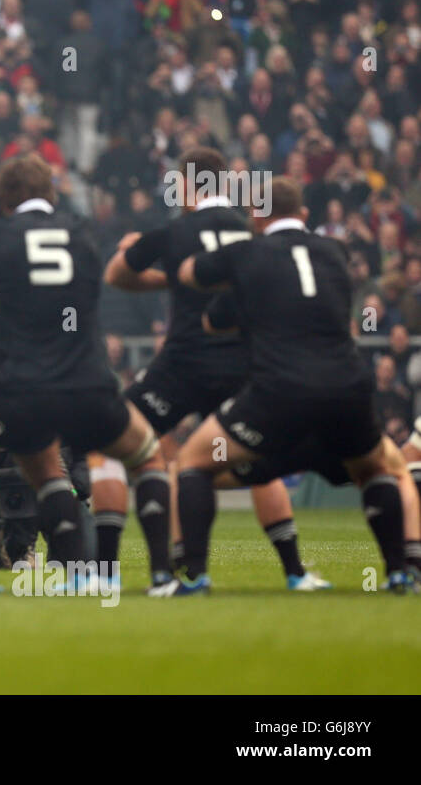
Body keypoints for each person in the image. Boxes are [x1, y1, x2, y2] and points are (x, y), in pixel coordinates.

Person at [0, 155, 170, 592]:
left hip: (21, 385)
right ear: (50, 193)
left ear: (3, 200)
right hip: (90, 381)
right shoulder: (82, 234)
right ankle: (147, 577)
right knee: (144, 459)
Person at [174, 177, 417, 594]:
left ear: (256, 217)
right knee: (377, 469)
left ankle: (194, 576)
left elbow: (190, 277)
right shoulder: (336, 253)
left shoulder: (247, 253)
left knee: (193, 462)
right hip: (346, 388)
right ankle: (399, 572)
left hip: (279, 393)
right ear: (303, 215)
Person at [103, 147, 323, 590]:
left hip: (182, 367)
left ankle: (137, 570)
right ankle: (296, 573)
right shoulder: (252, 235)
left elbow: (116, 276)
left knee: (115, 442)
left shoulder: (172, 232)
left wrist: (174, 276)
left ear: (188, 185)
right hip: (244, 366)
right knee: (258, 464)